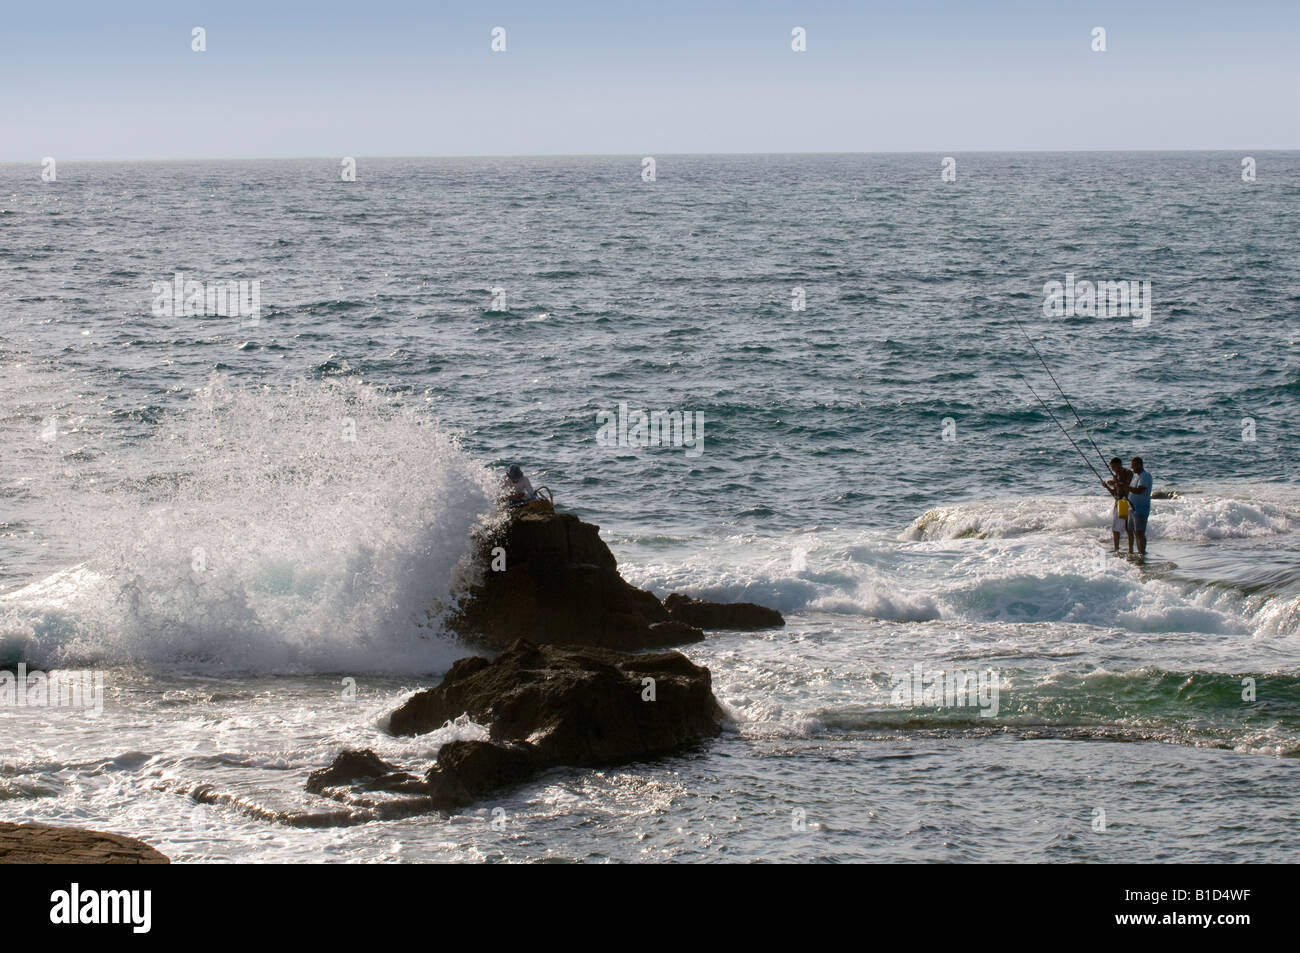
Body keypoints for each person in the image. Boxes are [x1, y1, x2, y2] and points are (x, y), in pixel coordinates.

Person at [1103, 456, 1135, 554]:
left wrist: (1115, 482)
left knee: (1124, 527)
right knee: (1119, 527)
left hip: (1125, 502)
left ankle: (1129, 549)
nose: (1113, 469)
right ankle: (1119, 548)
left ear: (1119, 465)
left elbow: (1127, 486)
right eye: (1111, 467)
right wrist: (1107, 487)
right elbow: (1114, 493)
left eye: (1114, 467)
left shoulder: (1127, 472)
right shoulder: (1115, 476)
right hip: (1118, 503)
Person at [1128, 456, 1153, 557]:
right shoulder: (1135, 476)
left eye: (1133, 466)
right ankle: (1137, 552)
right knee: (1133, 532)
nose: (1132, 469)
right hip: (1132, 508)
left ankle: (1142, 553)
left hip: (1141, 508)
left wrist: (1126, 487)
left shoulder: (1145, 476)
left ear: (1139, 464)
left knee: (1140, 532)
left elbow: (1139, 490)